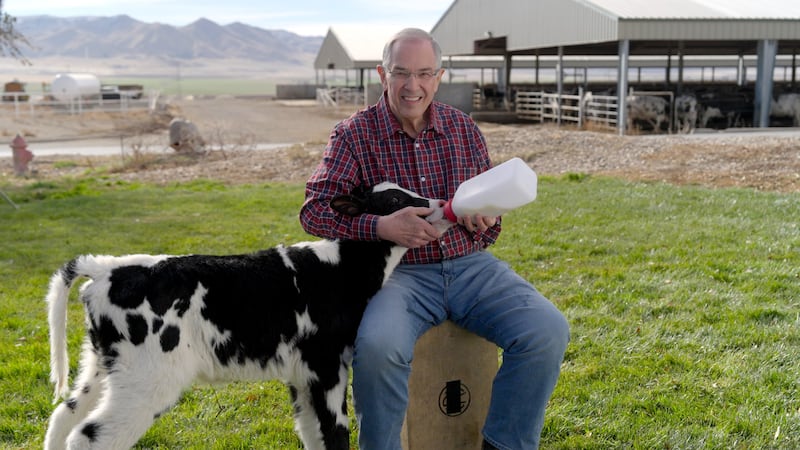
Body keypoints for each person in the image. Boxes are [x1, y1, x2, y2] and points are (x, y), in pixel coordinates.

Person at [300, 27, 570, 450]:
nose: (413, 86)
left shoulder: (463, 129)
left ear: (439, 77)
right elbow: (314, 210)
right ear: (381, 74)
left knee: (547, 330)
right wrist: (382, 227)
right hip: (399, 276)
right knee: (378, 348)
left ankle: (504, 444)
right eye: (401, 73)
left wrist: (484, 218)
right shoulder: (354, 135)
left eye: (424, 74)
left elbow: (492, 222)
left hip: (470, 267)